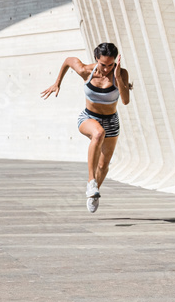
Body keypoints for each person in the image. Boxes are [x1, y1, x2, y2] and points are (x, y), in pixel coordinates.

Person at [41, 43, 132, 213]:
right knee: (98, 133)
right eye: (103, 64)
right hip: (89, 117)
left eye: (110, 65)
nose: (106, 69)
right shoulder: (86, 71)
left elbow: (125, 101)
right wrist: (57, 82)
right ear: (97, 59)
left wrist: (118, 76)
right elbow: (68, 60)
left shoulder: (120, 73)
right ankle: (91, 182)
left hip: (111, 121)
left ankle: (93, 193)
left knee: (104, 166)